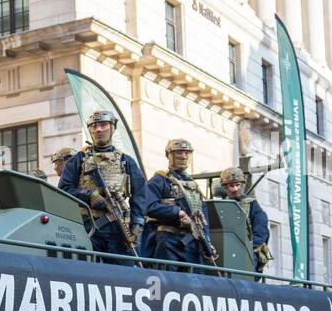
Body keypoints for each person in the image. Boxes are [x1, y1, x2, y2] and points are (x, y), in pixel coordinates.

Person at [58, 109, 146, 258]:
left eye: (103, 125)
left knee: (124, 270)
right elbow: (64, 189)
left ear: (112, 127)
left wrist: (137, 224)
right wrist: (89, 195)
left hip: (119, 228)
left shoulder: (127, 161)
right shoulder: (78, 159)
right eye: (94, 126)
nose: (98, 129)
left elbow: (140, 195)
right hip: (87, 226)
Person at [142, 138, 213, 270]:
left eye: (187, 153)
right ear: (169, 155)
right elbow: (149, 206)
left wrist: (207, 240)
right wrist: (177, 212)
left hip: (193, 242)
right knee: (169, 282)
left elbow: (203, 216)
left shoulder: (193, 185)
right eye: (179, 152)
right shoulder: (159, 180)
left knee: (195, 284)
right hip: (169, 241)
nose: (183, 156)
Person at [219, 167, 270, 272]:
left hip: (248, 252)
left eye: (237, 185)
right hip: (225, 251)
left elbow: (261, 232)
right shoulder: (220, 205)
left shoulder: (252, 205)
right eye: (231, 185)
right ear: (225, 187)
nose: (235, 189)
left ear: (242, 185)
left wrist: (247, 248)